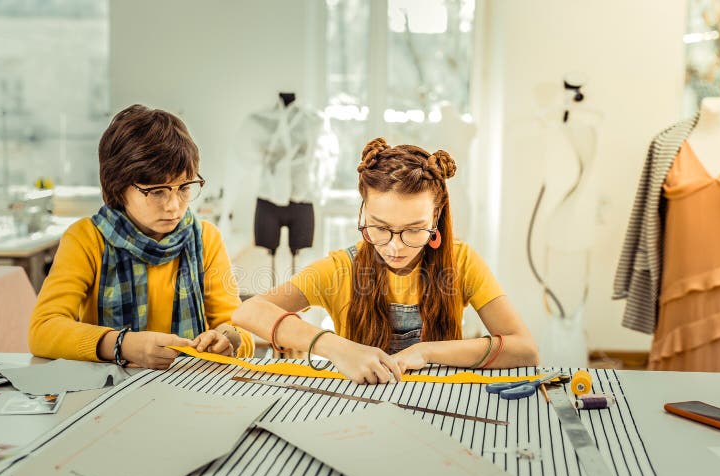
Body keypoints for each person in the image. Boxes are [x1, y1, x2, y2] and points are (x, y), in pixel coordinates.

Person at [233, 138, 537, 384]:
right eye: (379, 228)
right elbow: (249, 312)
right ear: (364, 210)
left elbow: (525, 351)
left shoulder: (462, 263)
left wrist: (428, 352)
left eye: (414, 230)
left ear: (436, 217)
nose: (394, 247)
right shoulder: (340, 270)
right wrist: (338, 349)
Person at [29, 104, 253, 369]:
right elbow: (43, 330)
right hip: (107, 393)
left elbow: (240, 329)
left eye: (184, 188)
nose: (173, 205)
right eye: (157, 191)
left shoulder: (206, 238)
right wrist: (122, 345)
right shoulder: (87, 238)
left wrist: (229, 339)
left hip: (189, 387)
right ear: (118, 185)